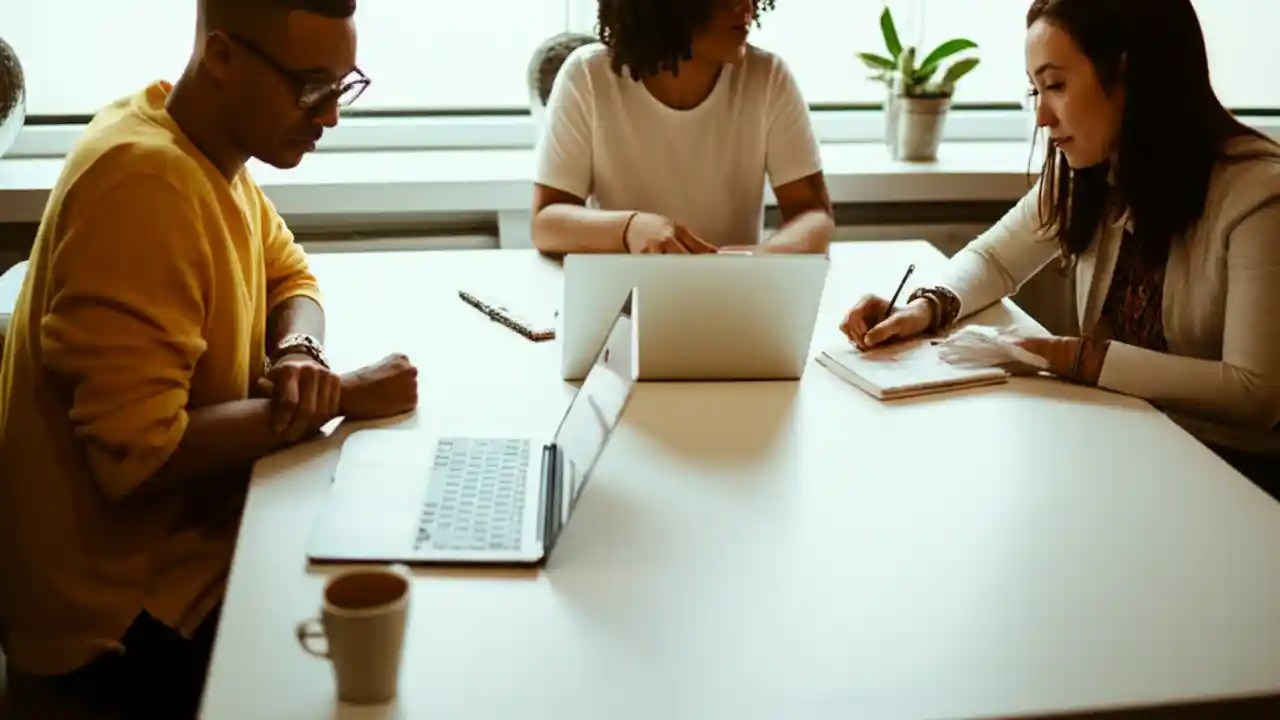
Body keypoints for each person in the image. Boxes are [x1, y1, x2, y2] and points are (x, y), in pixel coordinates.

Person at [0, 0, 418, 716]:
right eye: (312, 87)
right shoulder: (145, 182)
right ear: (222, 58)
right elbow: (138, 455)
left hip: (180, 565)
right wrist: (340, 395)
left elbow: (294, 278)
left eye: (342, 87)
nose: (330, 117)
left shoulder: (201, 147)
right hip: (114, 629)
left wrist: (298, 351)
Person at [839, 0, 1280, 490]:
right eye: (1035, 90)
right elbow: (993, 258)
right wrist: (924, 308)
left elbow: (1254, 393)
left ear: (1127, 71)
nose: (1043, 117)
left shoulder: (1258, 195)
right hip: (1136, 446)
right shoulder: (1092, 170)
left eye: (1056, 85)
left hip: (1239, 477)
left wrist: (1073, 357)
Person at [531, 0, 835, 256]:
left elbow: (814, 216)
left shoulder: (768, 77)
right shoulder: (587, 75)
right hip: (628, 302)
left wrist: (753, 264)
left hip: (734, 303)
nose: (746, 5)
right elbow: (546, 223)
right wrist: (630, 228)